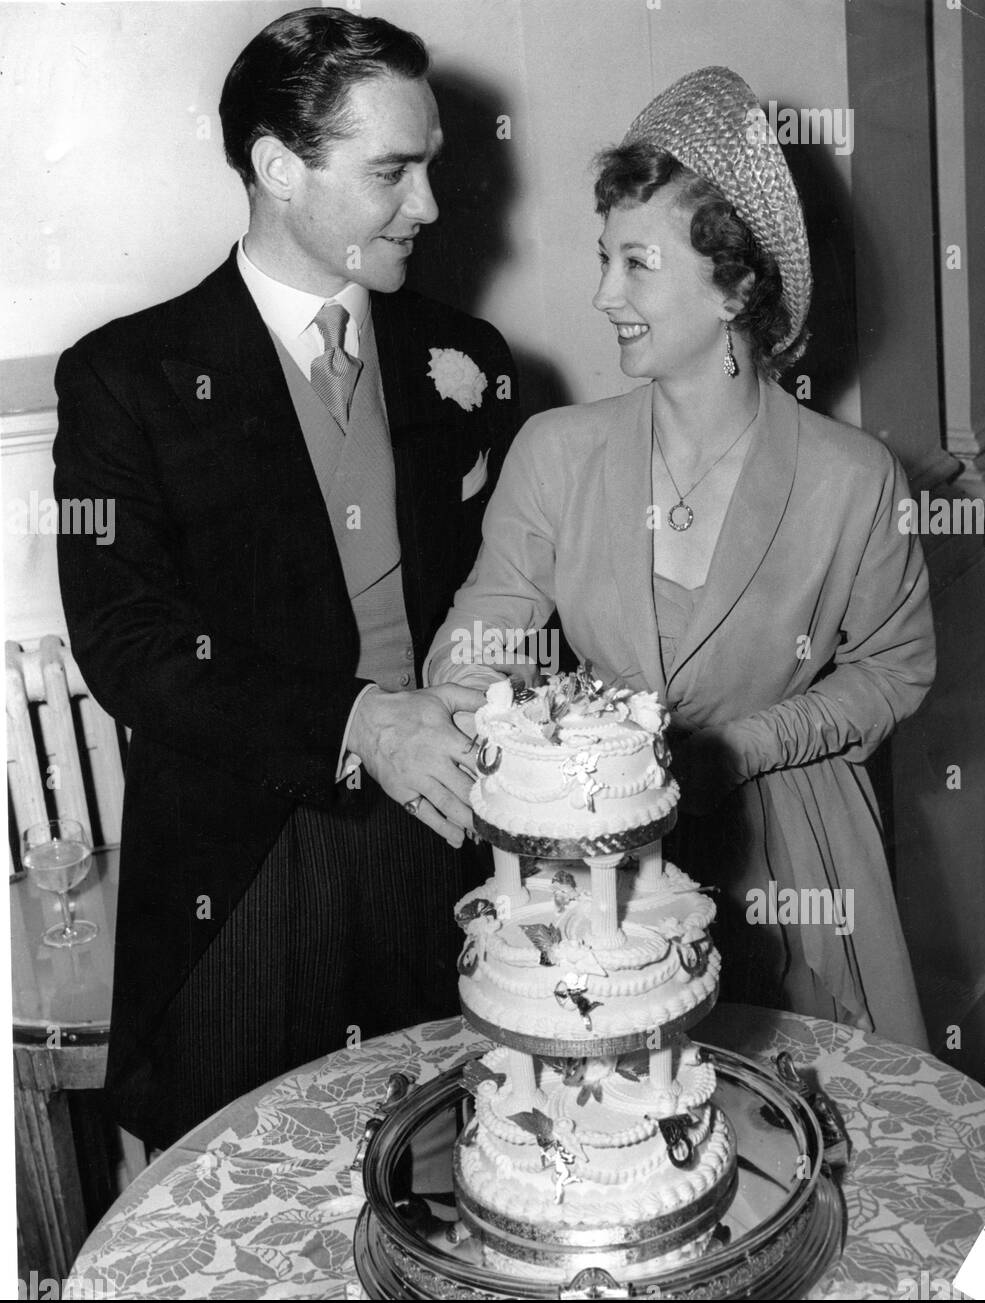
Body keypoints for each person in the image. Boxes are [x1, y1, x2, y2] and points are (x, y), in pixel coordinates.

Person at [53, 7, 519, 1149]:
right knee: (249, 1208)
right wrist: (362, 721)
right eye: (393, 173)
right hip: (244, 870)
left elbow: (511, 594)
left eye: (431, 170)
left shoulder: (469, 361)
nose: (431, 208)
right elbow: (128, 647)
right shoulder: (124, 379)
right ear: (276, 167)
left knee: (467, 1183)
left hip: (448, 839)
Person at [427, 67, 934, 1048]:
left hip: (796, 865)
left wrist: (745, 746)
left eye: (637, 264)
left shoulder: (854, 478)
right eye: (603, 259)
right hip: (599, 885)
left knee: (798, 1153)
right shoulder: (556, 453)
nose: (602, 293)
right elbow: (485, 628)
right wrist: (475, 689)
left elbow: (895, 668)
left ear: (734, 282)